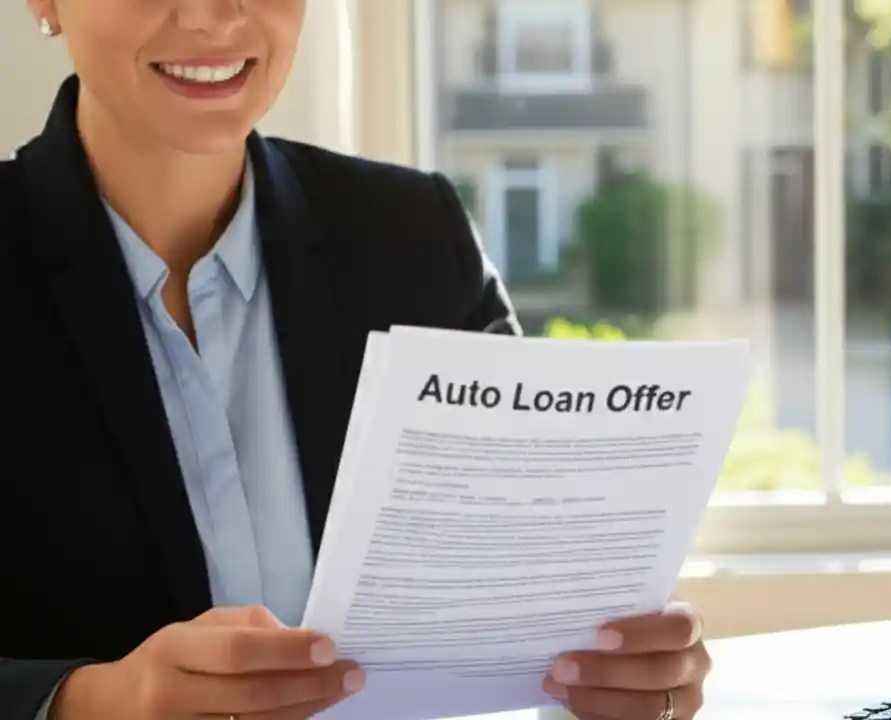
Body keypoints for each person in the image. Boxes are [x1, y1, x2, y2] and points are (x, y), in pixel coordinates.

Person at [0, 1, 712, 719]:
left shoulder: (414, 234)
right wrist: (85, 704)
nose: (215, 16)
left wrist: (621, 672)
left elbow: (529, 578)